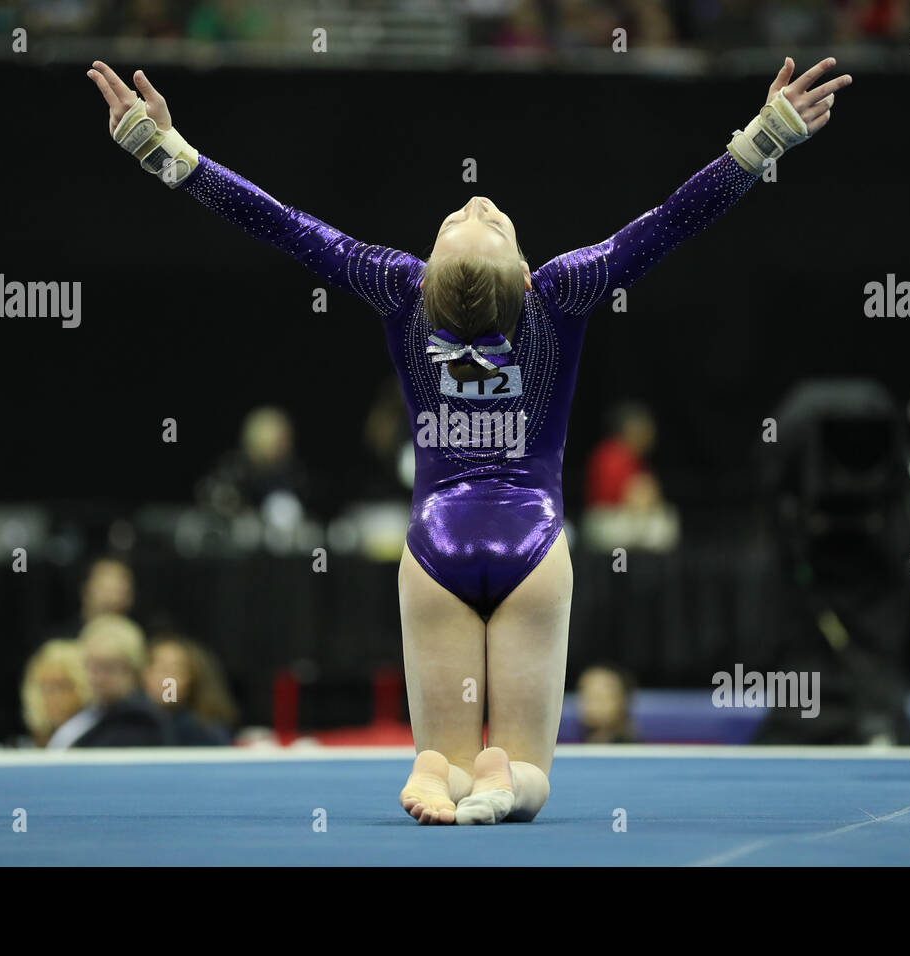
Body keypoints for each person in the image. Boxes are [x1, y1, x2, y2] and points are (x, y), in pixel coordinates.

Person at [88, 55, 850, 822]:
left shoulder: (396, 289)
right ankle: (502, 785)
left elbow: (287, 226)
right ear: (525, 271)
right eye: (477, 221)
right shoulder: (561, 293)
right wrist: (764, 138)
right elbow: (669, 222)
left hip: (433, 548)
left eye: (468, 220)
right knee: (527, 773)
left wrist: (168, 153)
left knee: (450, 756)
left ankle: (436, 772)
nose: (476, 201)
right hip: (534, 547)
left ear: (425, 279)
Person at [48, 614, 172, 748]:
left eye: (107, 668)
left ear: (132, 671)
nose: (97, 677)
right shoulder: (87, 712)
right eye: (91, 666)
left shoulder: (141, 723)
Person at [143, 635, 239, 745]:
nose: (163, 678)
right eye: (155, 666)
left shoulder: (206, 731)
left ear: (193, 679)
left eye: (173, 670)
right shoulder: (129, 724)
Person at [20, 640, 91, 748]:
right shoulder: (39, 740)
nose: (53, 698)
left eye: (61, 686)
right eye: (46, 688)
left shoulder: (97, 738)